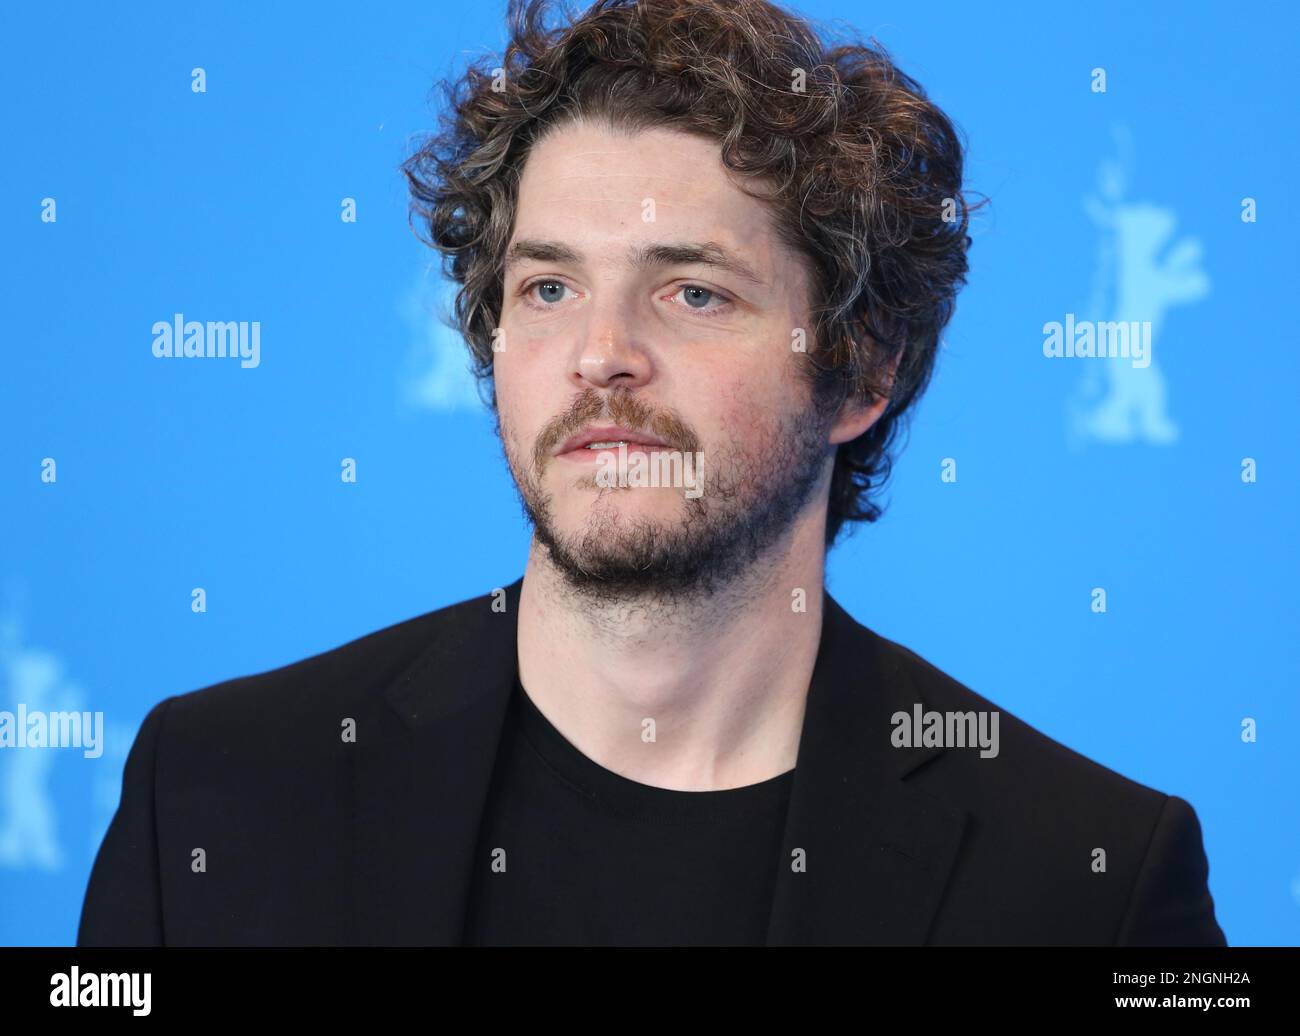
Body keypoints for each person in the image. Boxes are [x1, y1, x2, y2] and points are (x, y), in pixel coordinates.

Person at [78, 0, 1226, 946]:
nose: (601, 354)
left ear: (861, 370)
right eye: (548, 288)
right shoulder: (218, 787)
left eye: (693, 291)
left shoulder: (1090, 880)